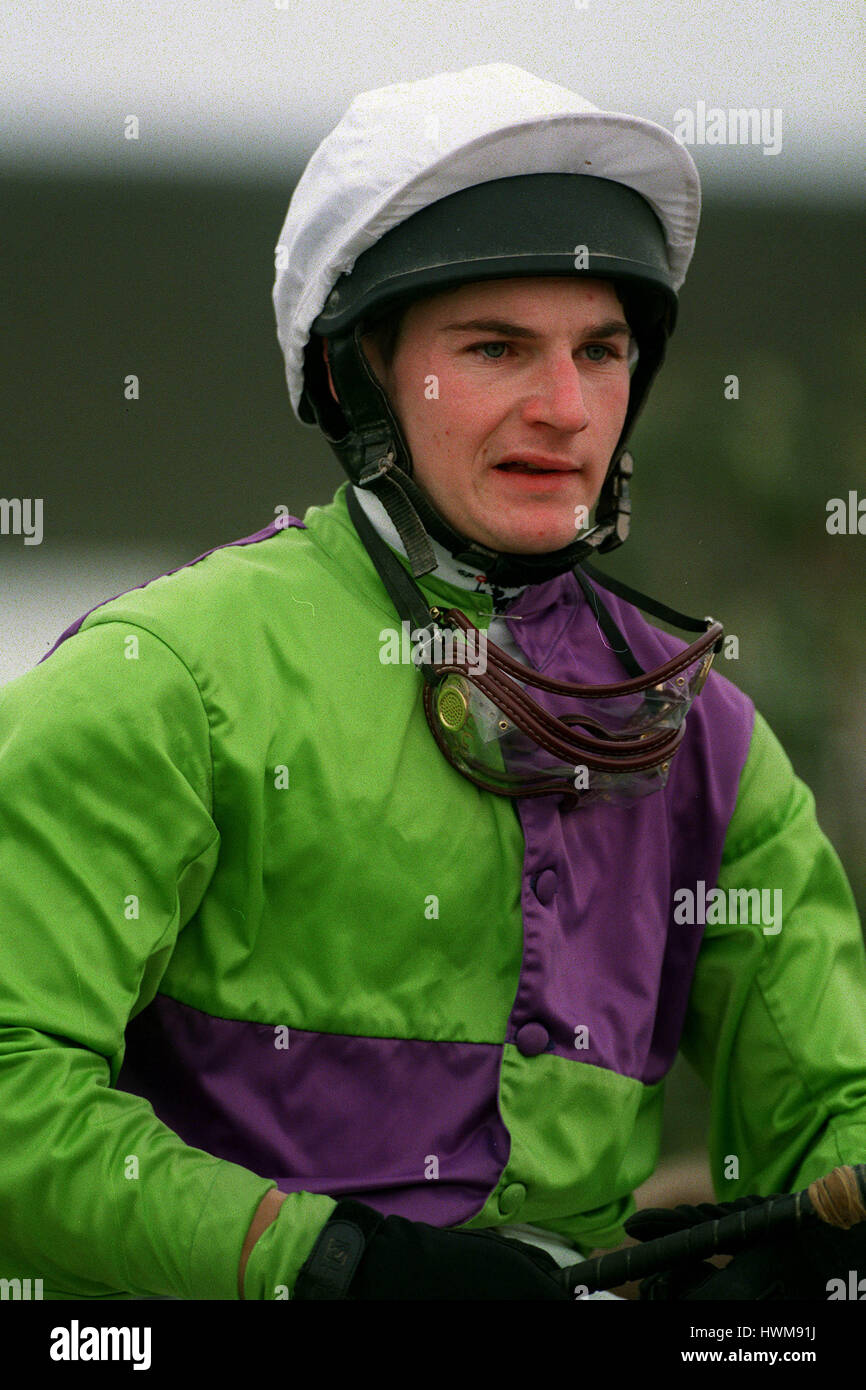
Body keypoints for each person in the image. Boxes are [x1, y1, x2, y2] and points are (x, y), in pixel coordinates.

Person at [1, 64, 864, 1303]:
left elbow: (836, 1104)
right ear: (358, 377)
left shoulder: (710, 741)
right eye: (496, 347)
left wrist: (804, 1263)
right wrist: (323, 1263)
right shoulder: (166, 678)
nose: (564, 409)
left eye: (600, 350)